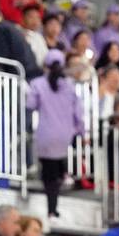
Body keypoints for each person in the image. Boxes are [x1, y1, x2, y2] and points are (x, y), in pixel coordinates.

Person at [27, 48, 86, 218]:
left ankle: (52, 209)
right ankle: (64, 176)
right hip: (65, 134)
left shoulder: (38, 83)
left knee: (49, 176)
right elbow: (78, 113)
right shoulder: (69, 86)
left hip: (46, 133)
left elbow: (30, 105)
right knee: (57, 165)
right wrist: (81, 132)